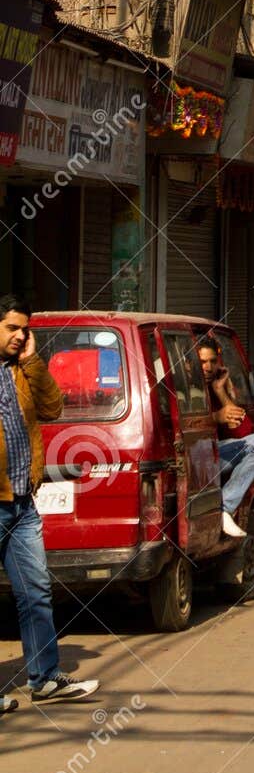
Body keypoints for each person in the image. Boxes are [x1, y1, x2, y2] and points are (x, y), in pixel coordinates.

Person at [0, 296, 98, 708]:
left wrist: (32, 362)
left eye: (24, 328)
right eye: (11, 328)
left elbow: (53, 407)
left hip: (21, 502)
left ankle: (44, 679)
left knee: (36, 591)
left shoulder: (20, 370)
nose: (20, 335)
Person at [197, 337, 254, 540]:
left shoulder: (215, 387)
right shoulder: (178, 388)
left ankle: (224, 507)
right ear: (189, 362)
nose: (208, 367)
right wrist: (215, 418)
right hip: (191, 462)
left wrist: (220, 391)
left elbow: (242, 432)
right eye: (202, 361)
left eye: (212, 361)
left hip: (215, 459)